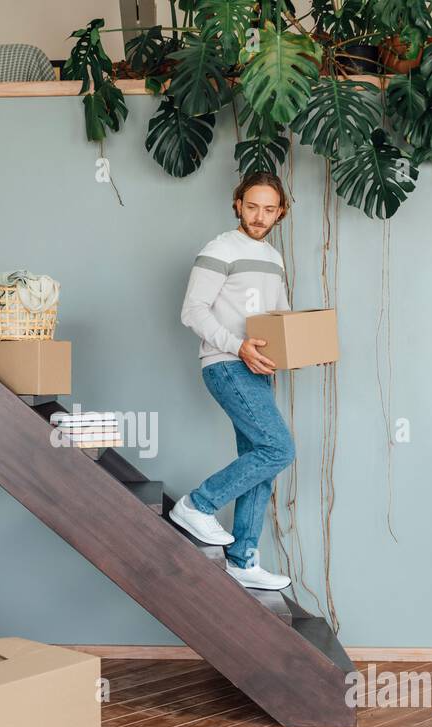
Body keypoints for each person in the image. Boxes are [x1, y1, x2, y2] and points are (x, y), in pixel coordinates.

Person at [169, 171, 295, 591]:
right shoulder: (219, 249)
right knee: (278, 448)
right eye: (252, 206)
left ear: (281, 212)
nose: (259, 216)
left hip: (258, 368)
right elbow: (193, 311)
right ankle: (196, 504)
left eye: (269, 209)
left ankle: (243, 560)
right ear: (238, 204)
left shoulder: (274, 258)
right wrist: (237, 345)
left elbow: (279, 316)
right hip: (226, 363)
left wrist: (292, 347)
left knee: (260, 460)